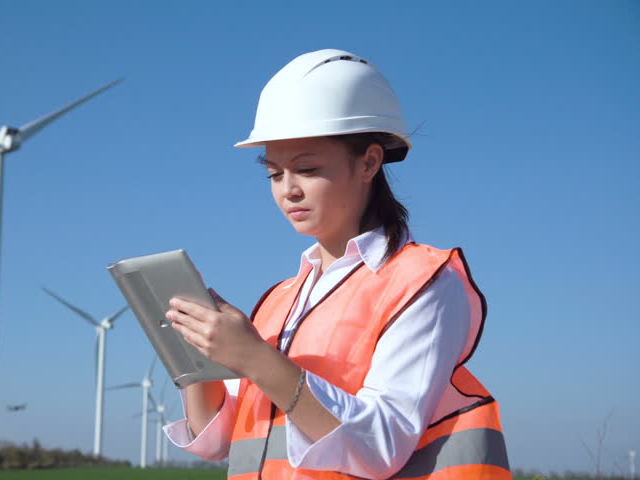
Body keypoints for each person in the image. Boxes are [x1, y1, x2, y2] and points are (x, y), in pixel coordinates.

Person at [163, 49, 511, 479]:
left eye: (305, 169)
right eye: (274, 174)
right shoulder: (280, 300)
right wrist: (191, 351)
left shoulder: (422, 281)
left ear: (368, 162)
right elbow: (216, 440)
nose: (287, 190)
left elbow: (381, 447)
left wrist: (255, 357)